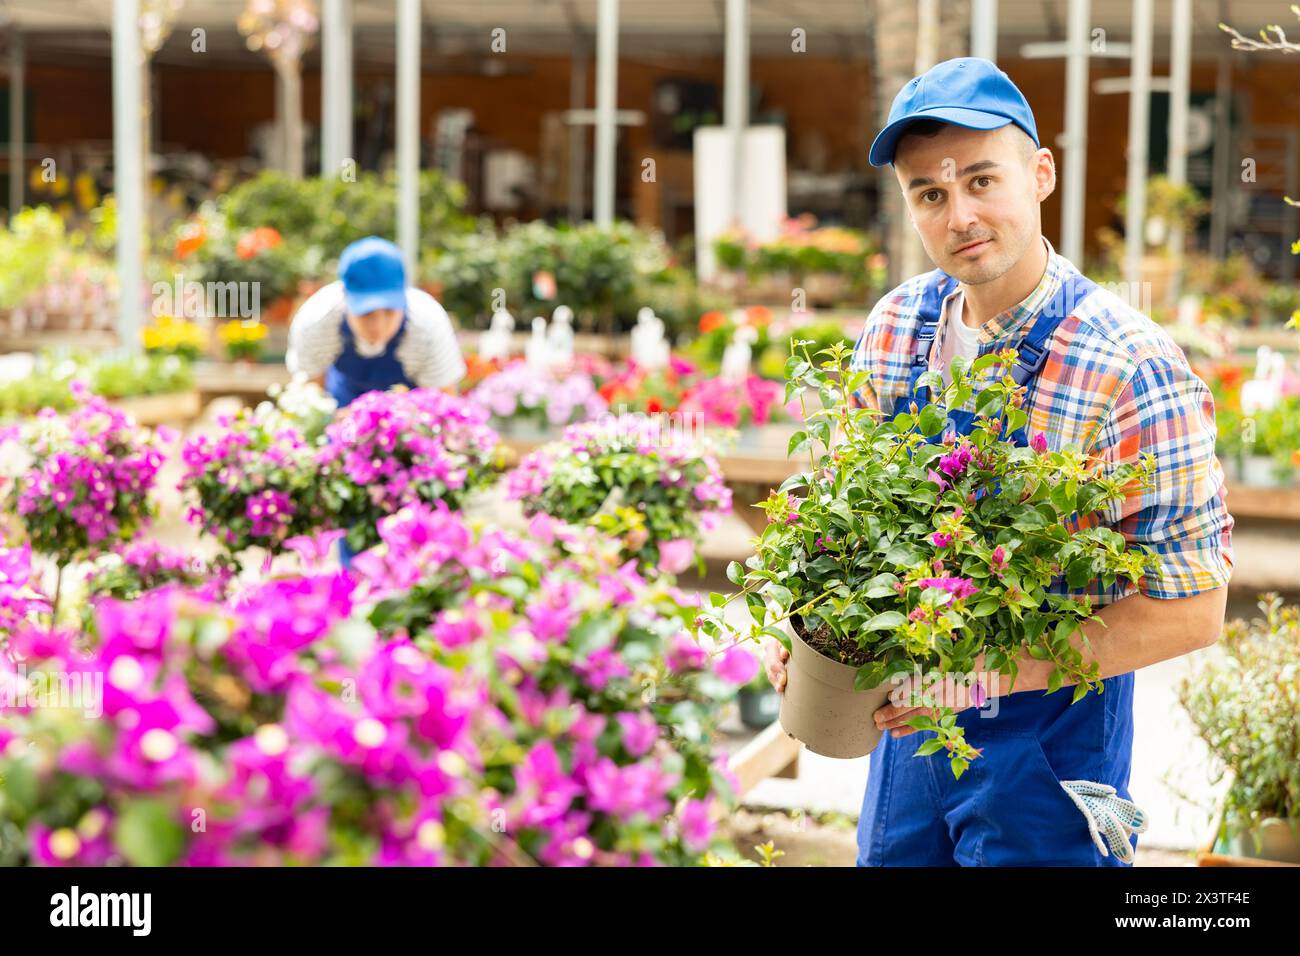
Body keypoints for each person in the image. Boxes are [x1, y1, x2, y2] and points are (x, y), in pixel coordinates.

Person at [762, 57, 1233, 867]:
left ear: (1040, 174)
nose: (960, 217)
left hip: (1049, 747)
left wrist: (977, 675)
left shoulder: (1130, 365)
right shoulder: (899, 324)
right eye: (931, 194)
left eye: (983, 180)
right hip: (907, 723)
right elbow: (841, 517)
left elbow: (1193, 609)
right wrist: (797, 614)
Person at [286, 235, 467, 565]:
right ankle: (354, 577)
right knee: (353, 500)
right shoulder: (317, 322)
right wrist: (336, 433)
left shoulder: (426, 326)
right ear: (346, 299)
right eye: (367, 314)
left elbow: (445, 410)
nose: (379, 325)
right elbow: (311, 399)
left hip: (414, 411)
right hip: (343, 401)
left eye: (388, 311)